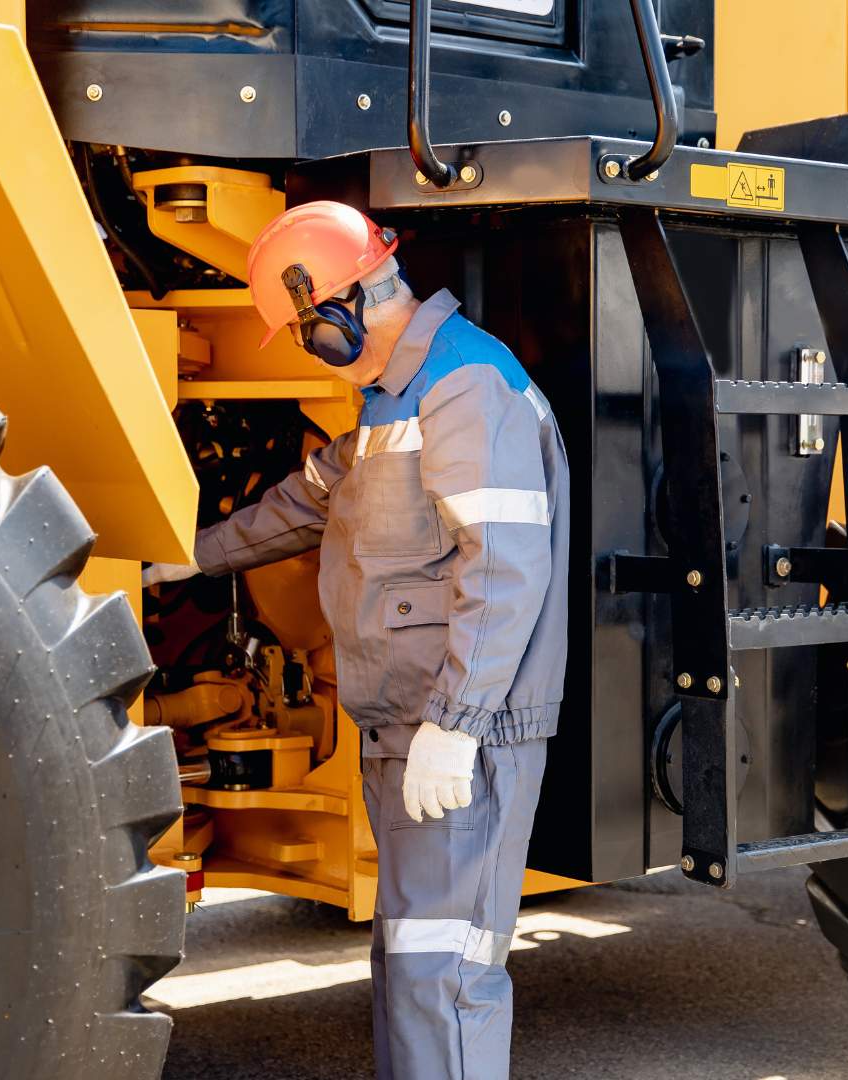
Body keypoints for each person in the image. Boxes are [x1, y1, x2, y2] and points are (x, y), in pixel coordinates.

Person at [144, 201, 569, 1079]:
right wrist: (181, 560)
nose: (308, 349)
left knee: (442, 972)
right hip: (406, 724)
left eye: (302, 331)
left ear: (335, 313)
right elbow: (304, 502)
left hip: (460, 734)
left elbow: (504, 568)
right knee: (408, 959)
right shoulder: (393, 401)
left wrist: (456, 726)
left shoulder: (464, 388)